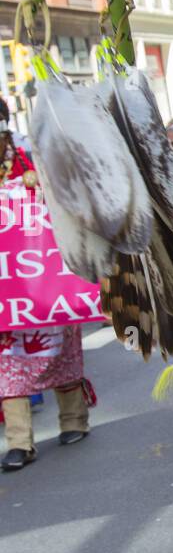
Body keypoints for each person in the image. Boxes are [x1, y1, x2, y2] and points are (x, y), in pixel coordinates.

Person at [1, 153, 91, 471]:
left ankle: (74, 419)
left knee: (61, 352)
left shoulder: (29, 160)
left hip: (44, 273)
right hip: (8, 288)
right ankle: (19, 442)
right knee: (8, 363)